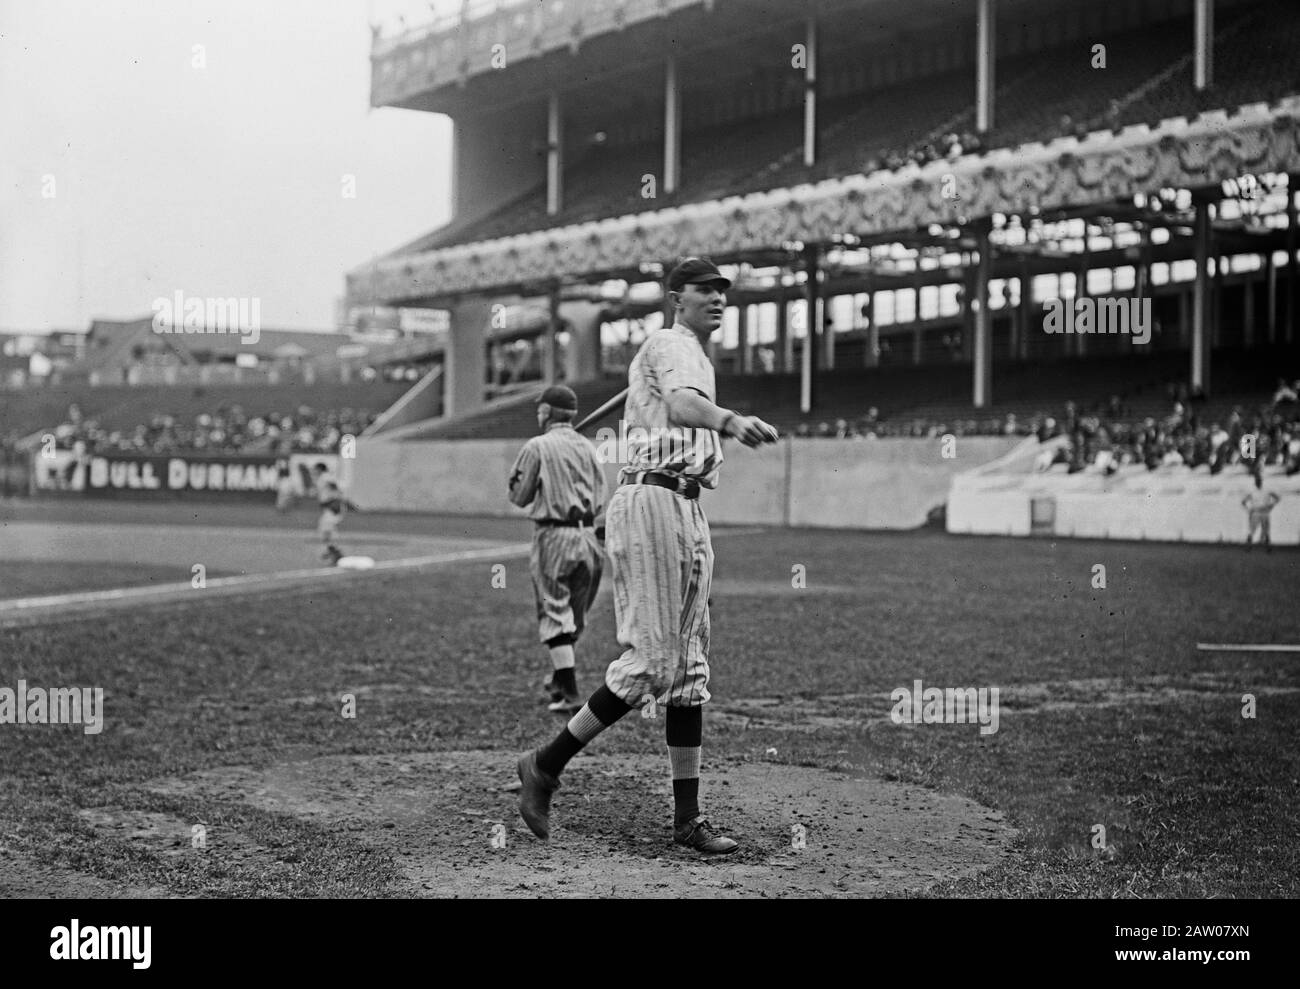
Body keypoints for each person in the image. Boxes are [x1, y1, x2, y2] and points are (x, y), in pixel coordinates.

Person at [514, 256, 779, 855]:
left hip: (685, 502)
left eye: (721, 291)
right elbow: (686, 406)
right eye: (703, 290)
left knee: (687, 671)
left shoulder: (689, 353)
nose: (716, 298)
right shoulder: (671, 342)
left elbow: (679, 406)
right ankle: (545, 764)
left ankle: (688, 820)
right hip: (655, 496)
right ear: (675, 297)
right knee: (652, 663)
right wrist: (731, 421)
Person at [507, 384, 608, 714]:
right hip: (589, 538)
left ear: (549, 412)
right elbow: (602, 497)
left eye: (541, 409)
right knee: (574, 617)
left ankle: (568, 690)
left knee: (555, 612)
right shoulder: (589, 448)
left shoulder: (537, 446)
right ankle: (560, 676)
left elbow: (519, 496)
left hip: (554, 537)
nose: (538, 413)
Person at [311, 462, 358, 565]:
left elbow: (336, 485)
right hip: (331, 506)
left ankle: (335, 551)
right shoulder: (323, 478)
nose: (314, 471)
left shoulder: (325, 477)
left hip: (333, 506)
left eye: (315, 469)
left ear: (320, 469)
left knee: (325, 528)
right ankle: (333, 550)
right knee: (325, 529)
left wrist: (338, 494)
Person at [1242, 473, 1281, 553]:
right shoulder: (1252, 491)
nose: (1258, 482)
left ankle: (1268, 548)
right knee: (1251, 531)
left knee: (1266, 531)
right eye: (1257, 481)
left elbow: (1277, 497)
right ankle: (1248, 547)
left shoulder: (1267, 490)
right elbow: (1243, 502)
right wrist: (1249, 510)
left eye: (1259, 480)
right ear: (1255, 482)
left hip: (1264, 513)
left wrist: (1271, 505)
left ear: (1261, 481)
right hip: (1255, 513)